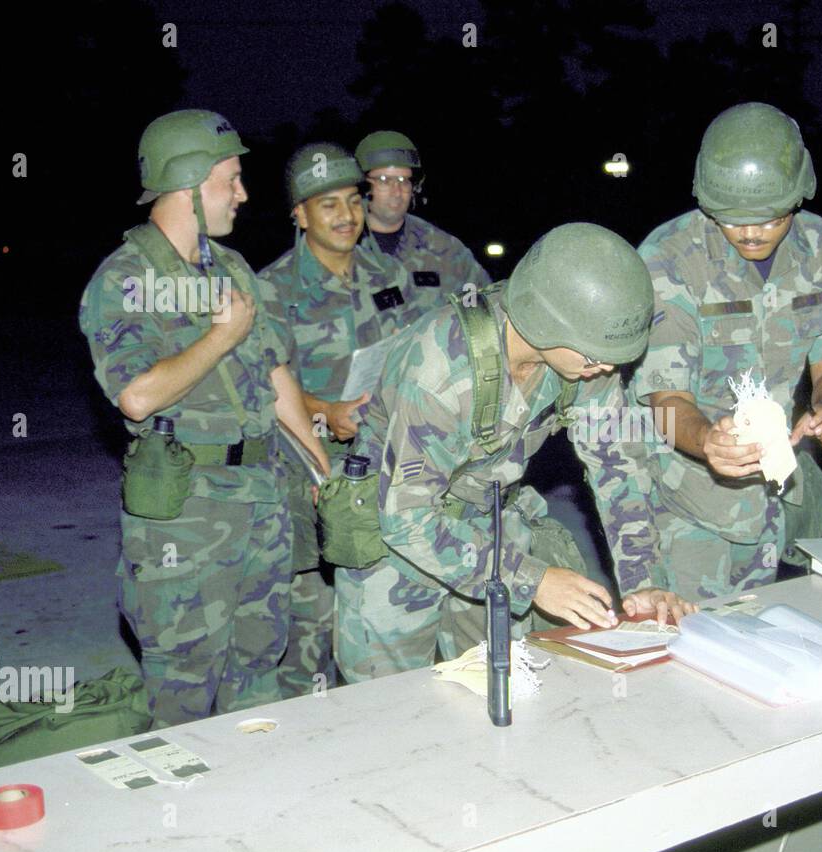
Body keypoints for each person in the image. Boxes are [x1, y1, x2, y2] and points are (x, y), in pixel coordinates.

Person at [333, 223, 694, 680]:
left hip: (491, 525)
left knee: (504, 690)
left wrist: (645, 581)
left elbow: (616, 466)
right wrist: (533, 579)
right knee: (391, 713)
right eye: (594, 357)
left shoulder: (588, 350)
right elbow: (407, 520)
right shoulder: (441, 365)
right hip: (396, 545)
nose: (606, 368)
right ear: (545, 323)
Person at [78, 110, 328, 728]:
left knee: (259, 674)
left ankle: (257, 805)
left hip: (261, 502)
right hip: (185, 520)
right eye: (231, 179)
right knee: (184, 691)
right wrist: (221, 337)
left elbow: (274, 376)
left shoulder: (233, 268)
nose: (243, 194)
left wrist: (323, 468)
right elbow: (136, 396)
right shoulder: (124, 280)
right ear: (188, 184)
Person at [631, 102, 822, 601]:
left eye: (771, 217)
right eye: (732, 220)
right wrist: (707, 441)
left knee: (749, 638)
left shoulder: (821, 249)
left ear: (799, 196)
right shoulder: (669, 258)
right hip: (681, 495)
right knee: (686, 646)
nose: (751, 232)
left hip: (769, 492)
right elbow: (662, 400)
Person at [256, 143, 415, 697]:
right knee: (314, 625)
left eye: (353, 201)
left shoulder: (389, 272)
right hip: (310, 479)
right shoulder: (271, 289)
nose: (347, 216)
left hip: (389, 469)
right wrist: (328, 412)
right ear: (299, 215)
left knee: (381, 618)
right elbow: (264, 387)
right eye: (328, 206)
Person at [355, 129, 490, 321]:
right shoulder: (336, 246)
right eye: (384, 180)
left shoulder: (446, 250)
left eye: (404, 180)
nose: (397, 191)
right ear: (363, 185)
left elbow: (483, 314)